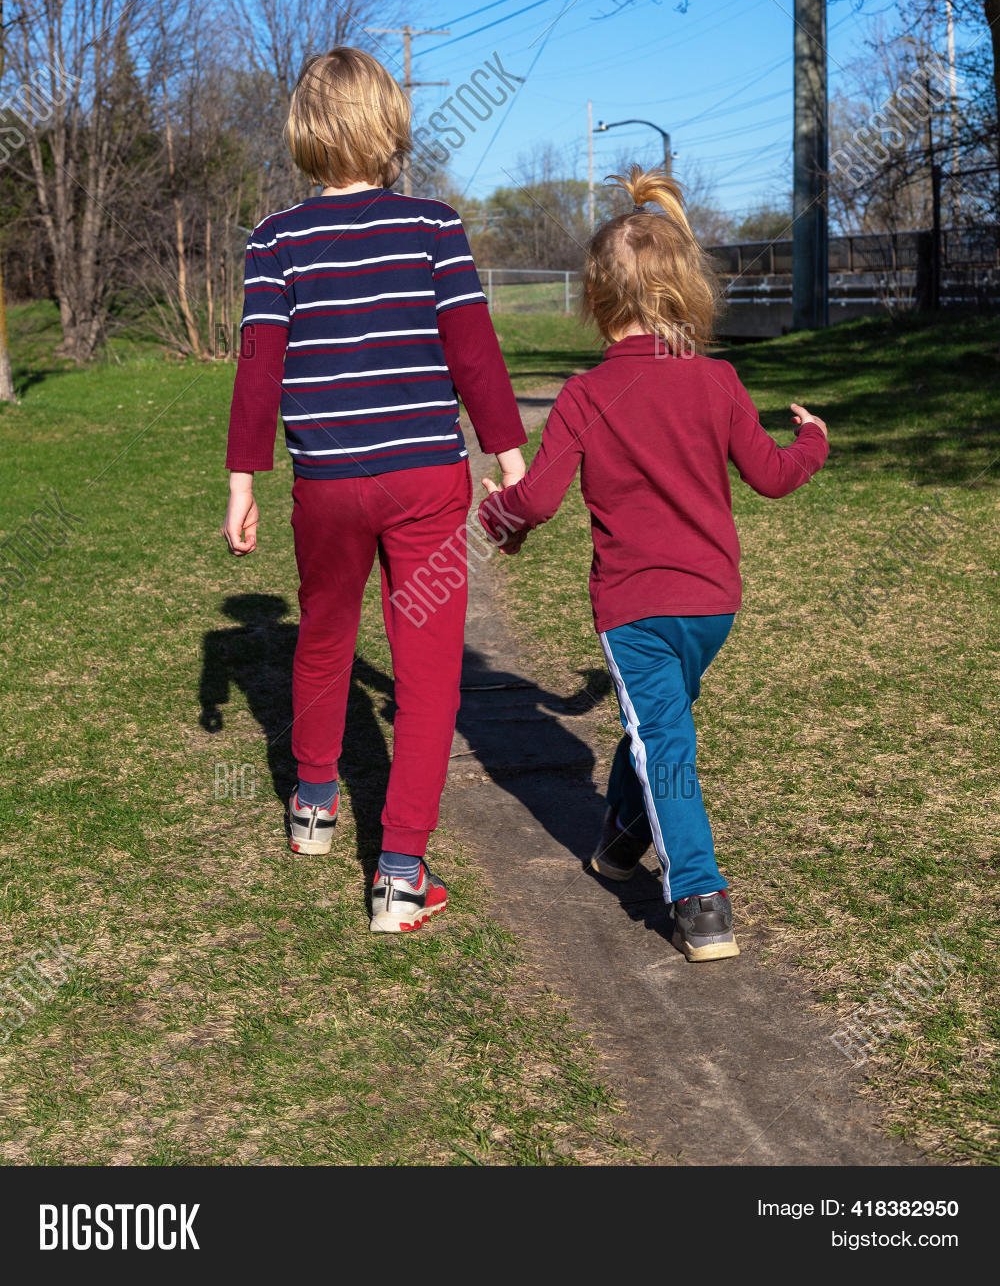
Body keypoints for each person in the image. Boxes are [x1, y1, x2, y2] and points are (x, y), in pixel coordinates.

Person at [479, 167, 829, 962]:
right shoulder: (719, 380)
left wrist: (494, 514)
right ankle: (624, 839)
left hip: (637, 610)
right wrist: (813, 439)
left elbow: (534, 502)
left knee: (663, 741)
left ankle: (701, 897)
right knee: (656, 728)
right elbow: (773, 477)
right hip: (712, 607)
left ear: (596, 301)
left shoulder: (583, 394)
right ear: (686, 291)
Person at [222, 47, 526, 933]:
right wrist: (509, 461)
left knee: (323, 634)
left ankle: (314, 806)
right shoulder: (435, 227)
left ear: (304, 132)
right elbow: (473, 352)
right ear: (390, 125)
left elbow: (257, 369)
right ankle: (400, 873)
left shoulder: (276, 239)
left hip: (326, 484)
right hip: (426, 478)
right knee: (429, 676)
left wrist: (243, 481)